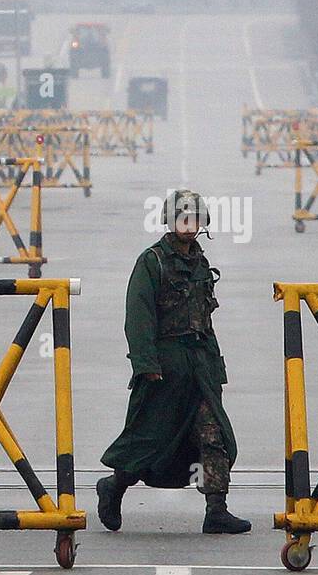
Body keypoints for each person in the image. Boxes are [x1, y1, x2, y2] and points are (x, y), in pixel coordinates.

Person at [97, 189, 252, 534]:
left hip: (200, 369)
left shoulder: (199, 263)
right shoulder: (152, 261)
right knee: (150, 440)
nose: (189, 224)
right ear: (170, 220)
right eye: (183, 217)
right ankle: (114, 486)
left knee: (213, 435)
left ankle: (216, 509)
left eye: (195, 218)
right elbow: (138, 316)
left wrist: (214, 368)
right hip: (165, 370)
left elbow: (204, 320)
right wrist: (145, 364)